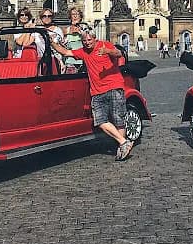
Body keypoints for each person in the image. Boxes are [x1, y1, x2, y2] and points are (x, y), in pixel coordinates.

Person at [51, 28, 134, 161]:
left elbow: (119, 53)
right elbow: (66, 52)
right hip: (97, 91)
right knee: (100, 121)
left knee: (118, 120)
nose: (87, 43)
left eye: (89, 40)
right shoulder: (83, 52)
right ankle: (124, 142)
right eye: (84, 40)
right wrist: (53, 43)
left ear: (94, 38)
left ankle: (121, 147)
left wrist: (108, 51)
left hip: (114, 86)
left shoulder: (104, 45)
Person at [62, 7, 86, 72]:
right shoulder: (67, 29)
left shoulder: (85, 27)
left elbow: (91, 40)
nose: (75, 16)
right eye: (73, 14)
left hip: (83, 60)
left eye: (77, 14)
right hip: (70, 60)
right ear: (70, 17)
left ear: (80, 17)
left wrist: (81, 32)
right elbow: (63, 45)